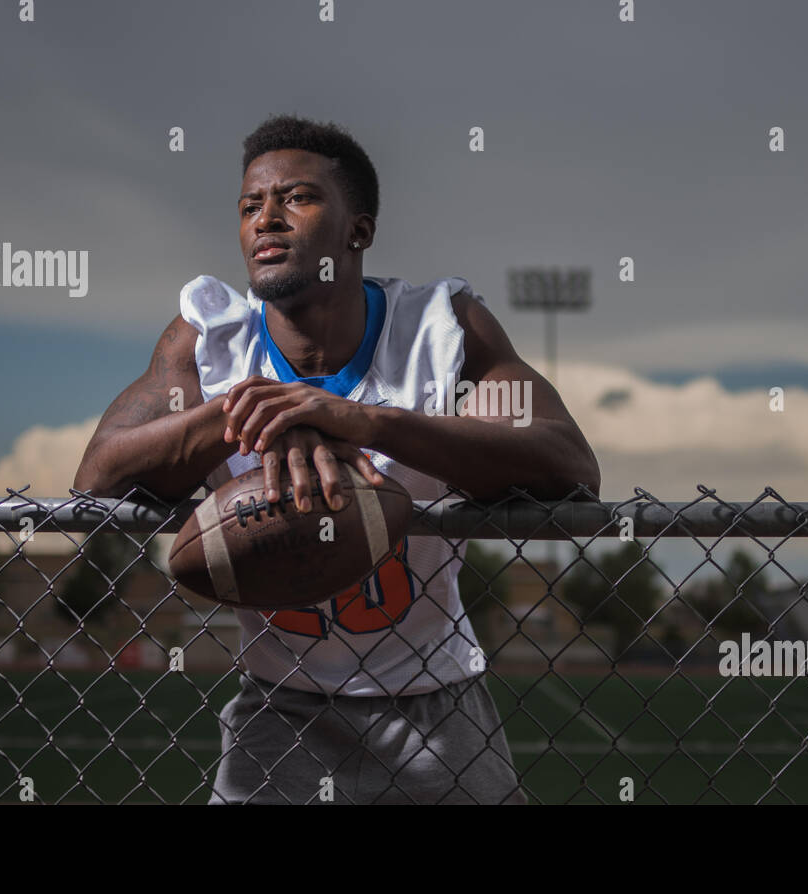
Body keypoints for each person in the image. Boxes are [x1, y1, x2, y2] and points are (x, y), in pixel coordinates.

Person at [73, 114, 600, 804]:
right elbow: (96, 479)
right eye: (249, 206)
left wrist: (364, 420)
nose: (266, 219)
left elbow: (569, 462)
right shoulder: (213, 339)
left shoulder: (440, 328)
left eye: (296, 198)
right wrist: (255, 411)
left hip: (432, 701)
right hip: (278, 703)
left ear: (359, 229)